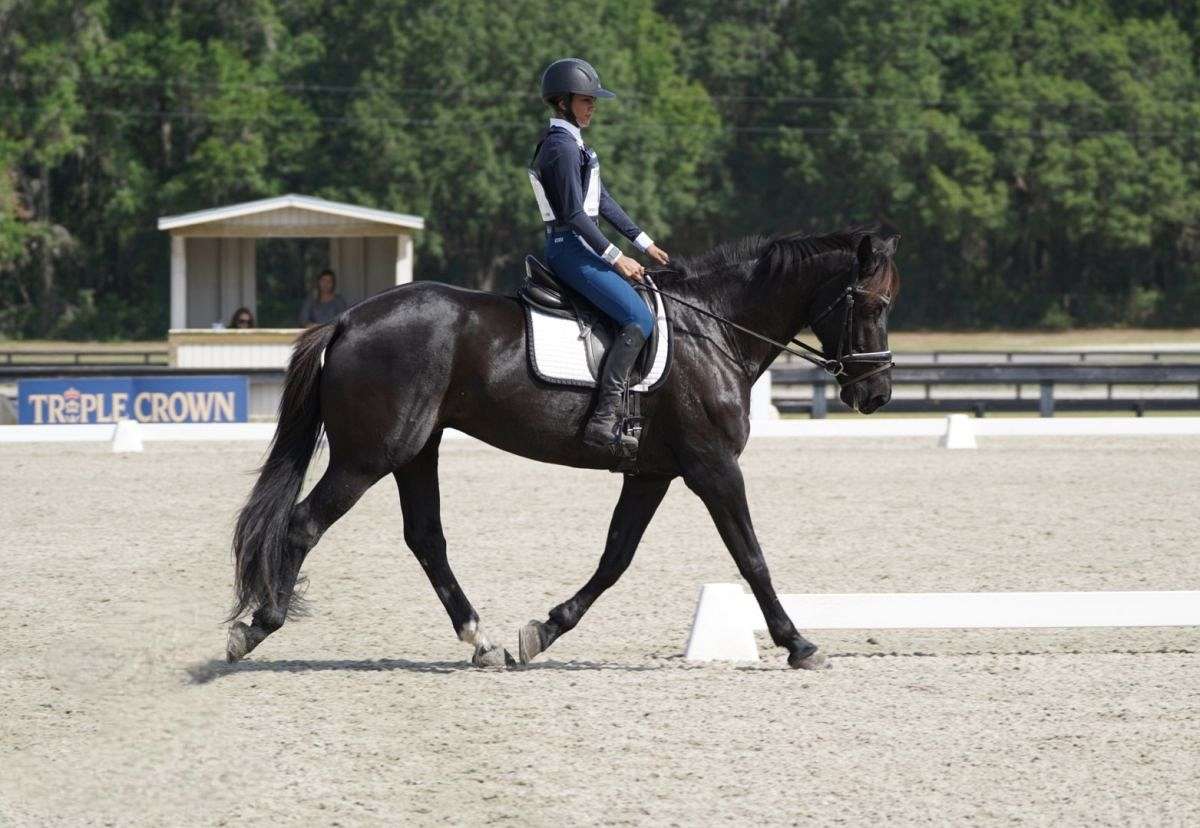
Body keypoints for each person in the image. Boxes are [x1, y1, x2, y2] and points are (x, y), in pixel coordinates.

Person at [528, 58, 670, 456]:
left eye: (593, 100)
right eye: (586, 100)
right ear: (562, 102)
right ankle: (604, 417)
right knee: (639, 318)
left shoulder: (574, 144)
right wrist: (616, 257)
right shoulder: (560, 148)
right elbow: (574, 215)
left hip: (581, 244)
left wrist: (643, 242)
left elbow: (601, 201)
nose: (593, 107)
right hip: (570, 248)